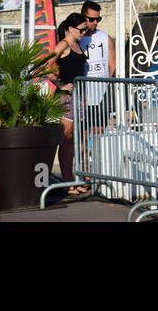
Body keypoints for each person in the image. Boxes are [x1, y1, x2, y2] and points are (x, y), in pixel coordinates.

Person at [46, 14, 88, 195]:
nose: (84, 33)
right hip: (66, 97)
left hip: (79, 96)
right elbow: (47, 65)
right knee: (66, 137)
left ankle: (72, 178)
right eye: (82, 29)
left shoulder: (77, 45)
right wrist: (60, 84)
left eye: (86, 29)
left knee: (73, 140)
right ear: (71, 29)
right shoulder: (63, 44)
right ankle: (67, 181)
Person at [78, 0, 114, 132]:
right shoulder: (76, 39)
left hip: (101, 96)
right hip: (81, 96)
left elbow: (112, 66)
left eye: (98, 19)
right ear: (83, 17)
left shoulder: (105, 38)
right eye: (92, 19)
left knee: (98, 132)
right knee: (80, 134)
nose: (95, 22)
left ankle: (95, 153)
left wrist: (108, 92)